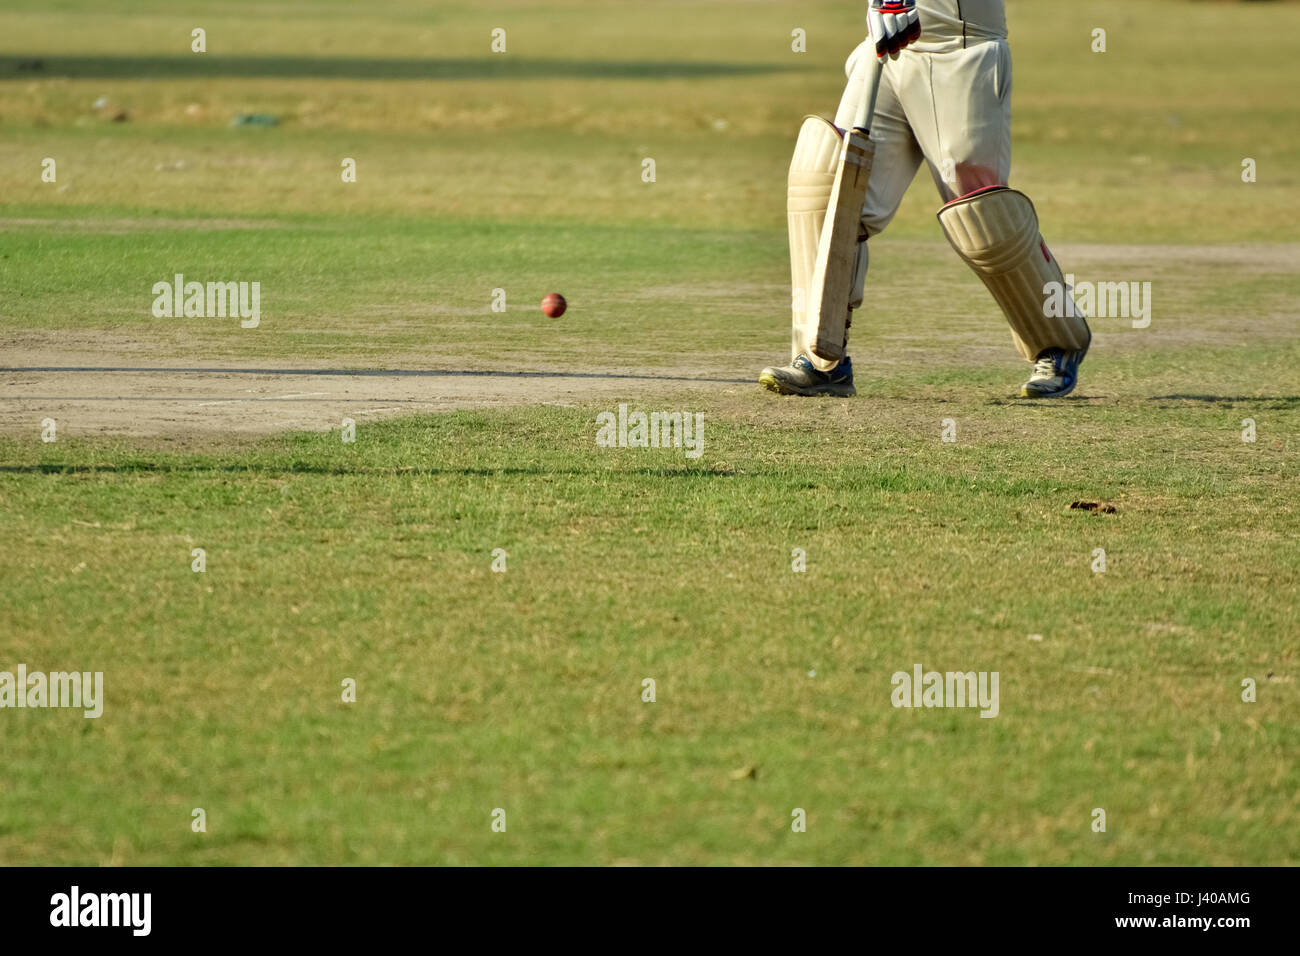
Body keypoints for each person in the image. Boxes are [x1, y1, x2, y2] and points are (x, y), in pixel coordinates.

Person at [760, 0, 1091, 399]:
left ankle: (1056, 340)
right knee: (829, 190)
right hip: (886, 44)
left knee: (982, 215)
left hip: (960, 45)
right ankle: (821, 358)